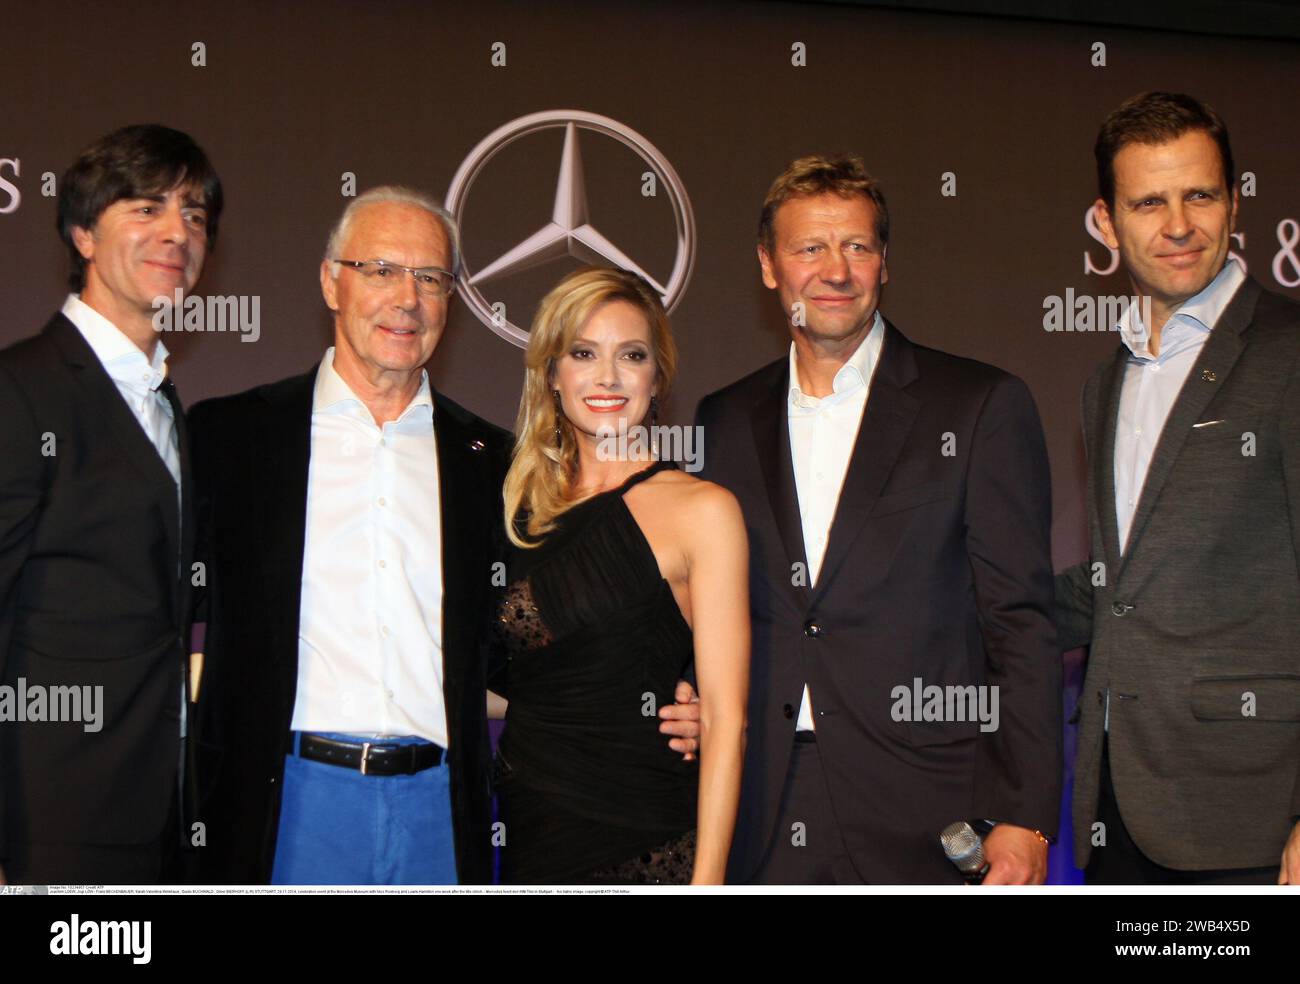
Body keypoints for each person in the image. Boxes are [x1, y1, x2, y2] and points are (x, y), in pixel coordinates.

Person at [188, 191, 701, 885]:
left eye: (430, 278)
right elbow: (146, 620)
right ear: (329, 281)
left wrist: (676, 696)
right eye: (380, 270)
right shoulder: (232, 438)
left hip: (438, 811)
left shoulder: (495, 465)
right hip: (281, 807)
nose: (408, 298)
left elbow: (540, 641)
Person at [694, 154, 1062, 884]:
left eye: (857, 246)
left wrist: (1025, 814)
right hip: (760, 804)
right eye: (809, 248)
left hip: (926, 812)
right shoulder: (724, 420)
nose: (836, 270)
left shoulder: (979, 405)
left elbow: (1021, 624)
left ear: (883, 264)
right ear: (769, 267)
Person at [1055, 92, 1300, 885]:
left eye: (1199, 194)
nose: (1179, 224)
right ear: (1106, 220)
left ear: (1233, 201)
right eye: (1148, 201)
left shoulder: (1290, 354)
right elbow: (1117, 585)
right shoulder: (1107, 381)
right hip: (1117, 800)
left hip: (1254, 815)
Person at [0, 124, 222, 883]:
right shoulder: (20, 390)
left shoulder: (166, 405)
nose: (177, 233)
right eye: (147, 208)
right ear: (83, 233)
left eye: (194, 215)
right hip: (48, 823)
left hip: (159, 820)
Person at [490, 266, 749, 884]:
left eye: (630, 355)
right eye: (583, 353)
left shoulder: (703, 510)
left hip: (647, 839)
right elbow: (508, 681)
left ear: (656, 377)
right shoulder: (515, 511)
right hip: (534, 829)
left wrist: (707, 883)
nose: (607, 377)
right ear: (552, 374)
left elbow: (723, 719)